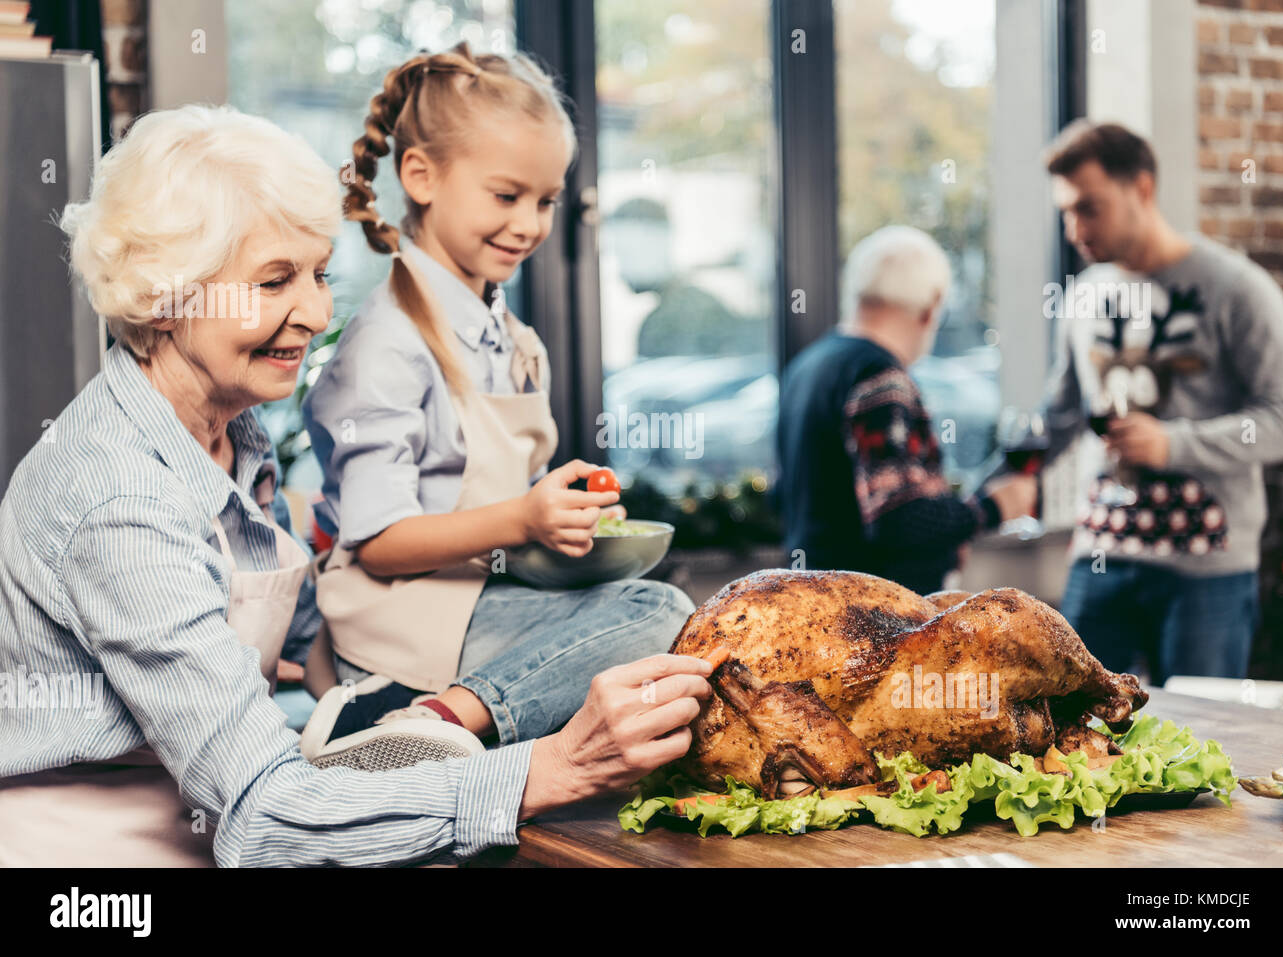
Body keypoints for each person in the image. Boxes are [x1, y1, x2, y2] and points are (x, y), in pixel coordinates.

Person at [0, 103, 712, 867]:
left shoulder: (230, 431)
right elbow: (266, 813)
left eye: (318, 273)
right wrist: (552, 767)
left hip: (205, 816)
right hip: (105, 860)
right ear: (167, 293)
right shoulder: (121, 500)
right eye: (274, 282)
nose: (314, 313)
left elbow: (294, 651)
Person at [298, 43, 697, 764]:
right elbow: (378, 543)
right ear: (420, 176)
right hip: (398, 623)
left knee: (657, 605)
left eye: (545, 201)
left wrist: (564, 527)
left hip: (470, 604)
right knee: (660, 612)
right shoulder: (387, 341)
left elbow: (502, 519)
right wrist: (521, 517)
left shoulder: (505, 335)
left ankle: (440, 717)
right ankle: (416, 715)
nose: (530, 224)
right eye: (506, 195)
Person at [1038, 120, 1283, 684]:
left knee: (1196, 748)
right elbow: (1060, 415)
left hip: (1206, 570)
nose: (1074, 228)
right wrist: (1007, 477)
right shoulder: (1083, 296)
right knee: (1070, 729)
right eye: (1066, 212)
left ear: (1143, 188)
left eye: (1089, 207)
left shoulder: (1238, 289)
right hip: (1099, 556)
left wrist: (1173, 443)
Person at [777, 225, 1037, 594]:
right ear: (930, 308)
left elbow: (786, 495)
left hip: (817, 601)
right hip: (874, 615)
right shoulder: (879, 377)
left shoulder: (808, 365)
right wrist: (993, 507)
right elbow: (898, 520)